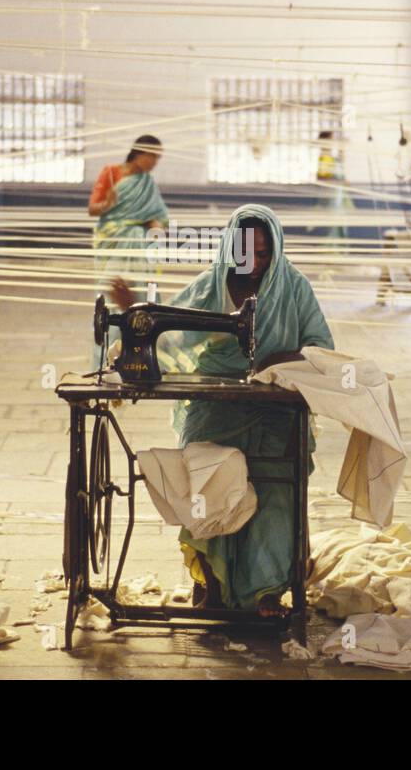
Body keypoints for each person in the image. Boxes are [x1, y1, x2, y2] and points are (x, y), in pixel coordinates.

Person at [109, 204, 333, 617]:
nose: (254, 261)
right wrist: (133, 320)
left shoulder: (294, 287)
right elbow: (172, 339)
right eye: (245, 251)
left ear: (276, 251)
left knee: (278, 488)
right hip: (218, 401)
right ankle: (212, 585)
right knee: (207, 476)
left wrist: (279, 359)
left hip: (275, 406)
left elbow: (320, 346)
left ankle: (266, 594)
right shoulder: (209, 285)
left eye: (264, 253)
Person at [89, 136, 169, 364]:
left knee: (141, 298)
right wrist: (108, 204)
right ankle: (106, 360)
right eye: (152, 156)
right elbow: (94, 208)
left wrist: (155, 225)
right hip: (113, 244)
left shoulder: (148, 183)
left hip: (138, 249)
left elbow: (158, 216)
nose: (155, 162)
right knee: (111, 297)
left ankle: (140, 356)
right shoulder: (111, 173)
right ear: (139, 152)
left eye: (158, 158)